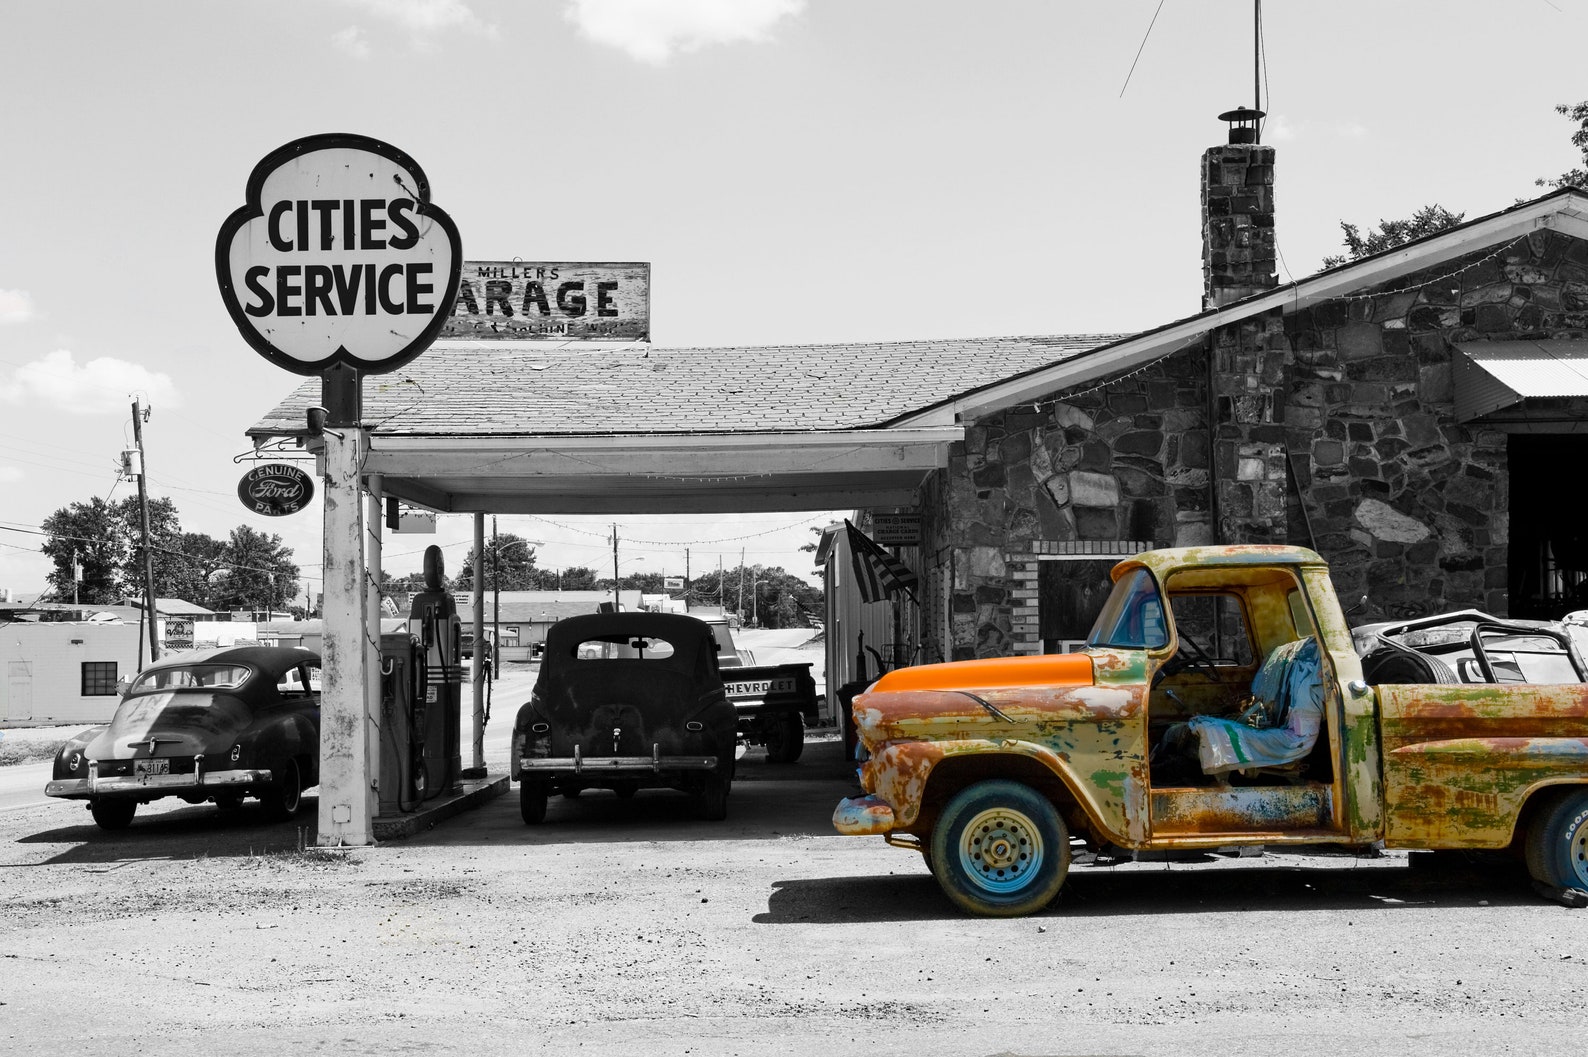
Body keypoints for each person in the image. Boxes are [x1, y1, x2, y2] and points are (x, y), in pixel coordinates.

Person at [1151, 636, 1324, 784]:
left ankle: (1170, 773)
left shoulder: (1315, 674)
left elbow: (1297, 736)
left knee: (1193, 733)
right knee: (1175, 734)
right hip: (1269, 717)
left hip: (1291, 736)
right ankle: (1164, 769)